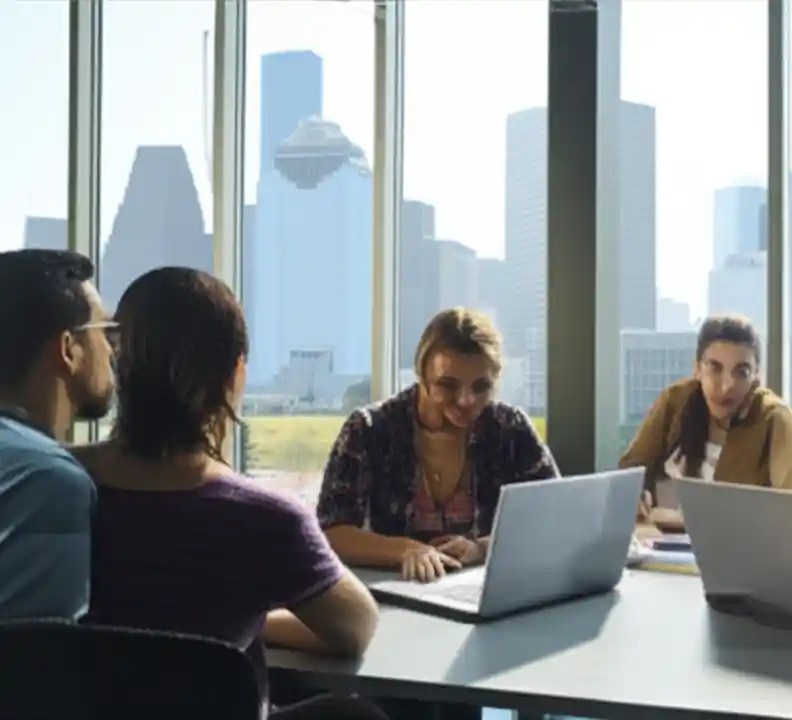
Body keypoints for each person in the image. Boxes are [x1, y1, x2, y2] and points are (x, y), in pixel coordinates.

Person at [72, 267, 383, 719]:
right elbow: (355, 627)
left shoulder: (56, 483)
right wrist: (261, 620)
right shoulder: (264, 519)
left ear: (117, 363)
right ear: (235, 374)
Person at [318, 307, 558, 583]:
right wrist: (406, 550)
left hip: (483, 589)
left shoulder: (509, 428)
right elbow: (331, 533)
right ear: (421, 374)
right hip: (394, 590)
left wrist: (481, 548)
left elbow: (552, 517)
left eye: (481, 387)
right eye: (448, 385)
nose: (466, 400)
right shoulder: (370, 429)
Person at [0, 250, 115, 621]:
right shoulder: (47, 483)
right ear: (68, 349)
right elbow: (33, 662)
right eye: (104, 332)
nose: (112, 351)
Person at [620, 315, 792, 529]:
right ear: (697, 368)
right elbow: (630, 472)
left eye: (742, 372)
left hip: (741, 549)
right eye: (715, 368)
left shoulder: (776, 420)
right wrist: (634, 496)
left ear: (757, 375)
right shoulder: (675, 401)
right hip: (660, 544)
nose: (727, 385)